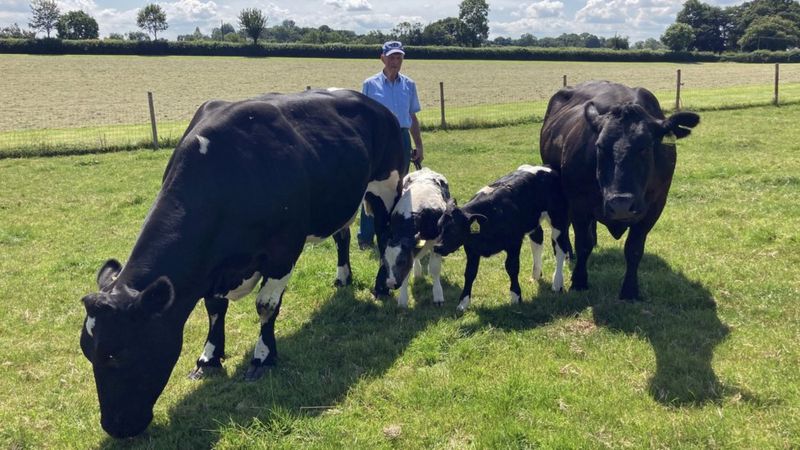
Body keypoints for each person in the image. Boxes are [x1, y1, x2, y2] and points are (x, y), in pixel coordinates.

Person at [358, 40, 424, 250]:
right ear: (382, 58)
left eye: (399, 57)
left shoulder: (409, 85)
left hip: (401, 138)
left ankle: (393, 230)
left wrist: (418, 145)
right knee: (371, 186)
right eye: (392, 57)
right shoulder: (370, 84)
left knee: (399, 186)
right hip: (378, 140)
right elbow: (363, 118)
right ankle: (366, 236)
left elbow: (412, 117)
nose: (395, 61)